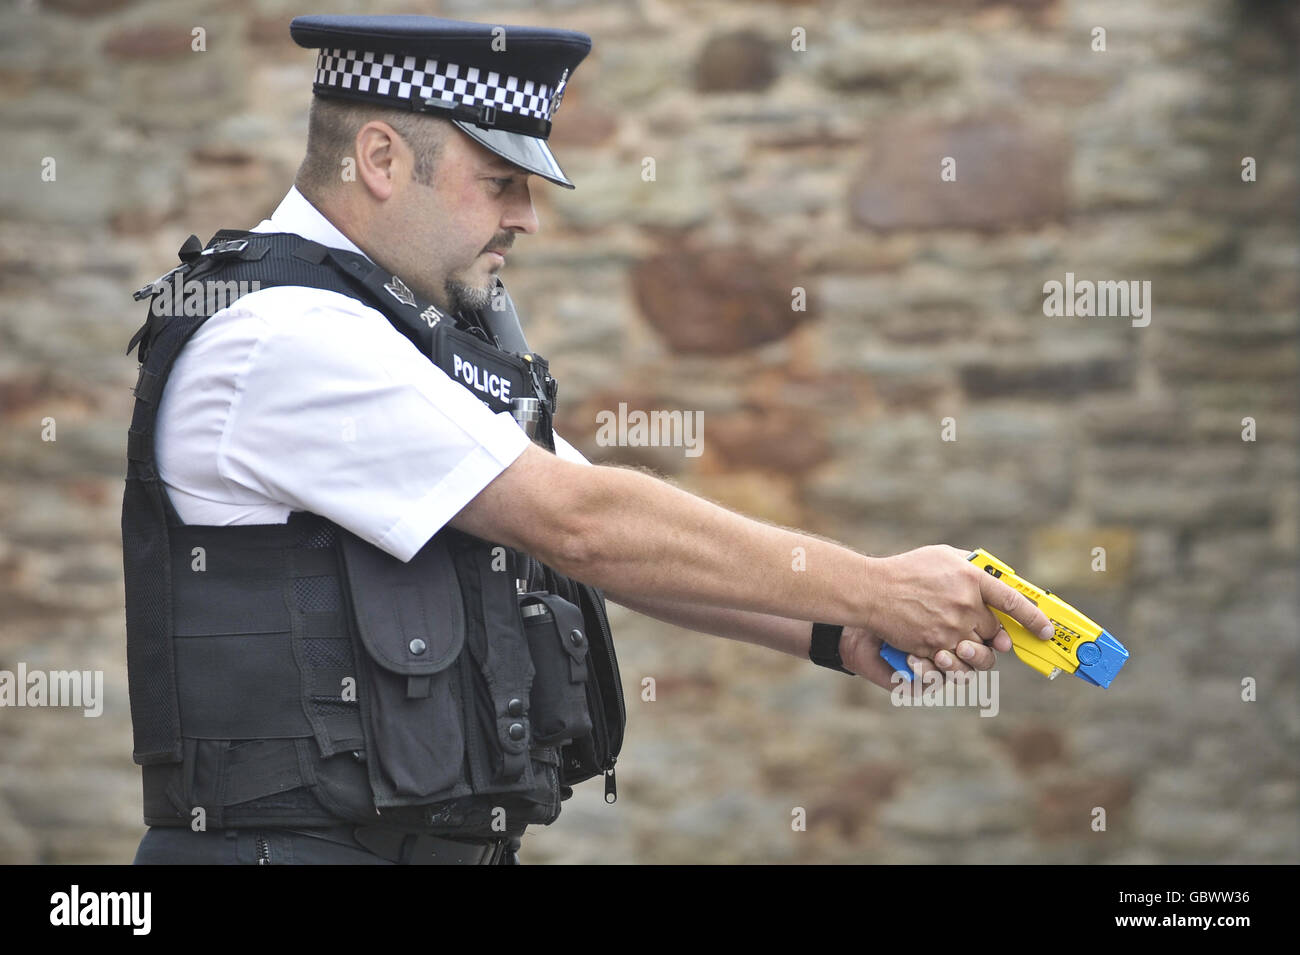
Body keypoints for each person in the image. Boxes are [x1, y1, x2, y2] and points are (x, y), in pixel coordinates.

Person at [122, 14, 1055, 865]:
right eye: (499, 181)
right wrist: (883, 589)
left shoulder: (387, 335)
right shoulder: (286, 337)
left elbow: (608, 545)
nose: (525, 215)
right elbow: (583, 521)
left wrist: (834, 627)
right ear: (379, 157)